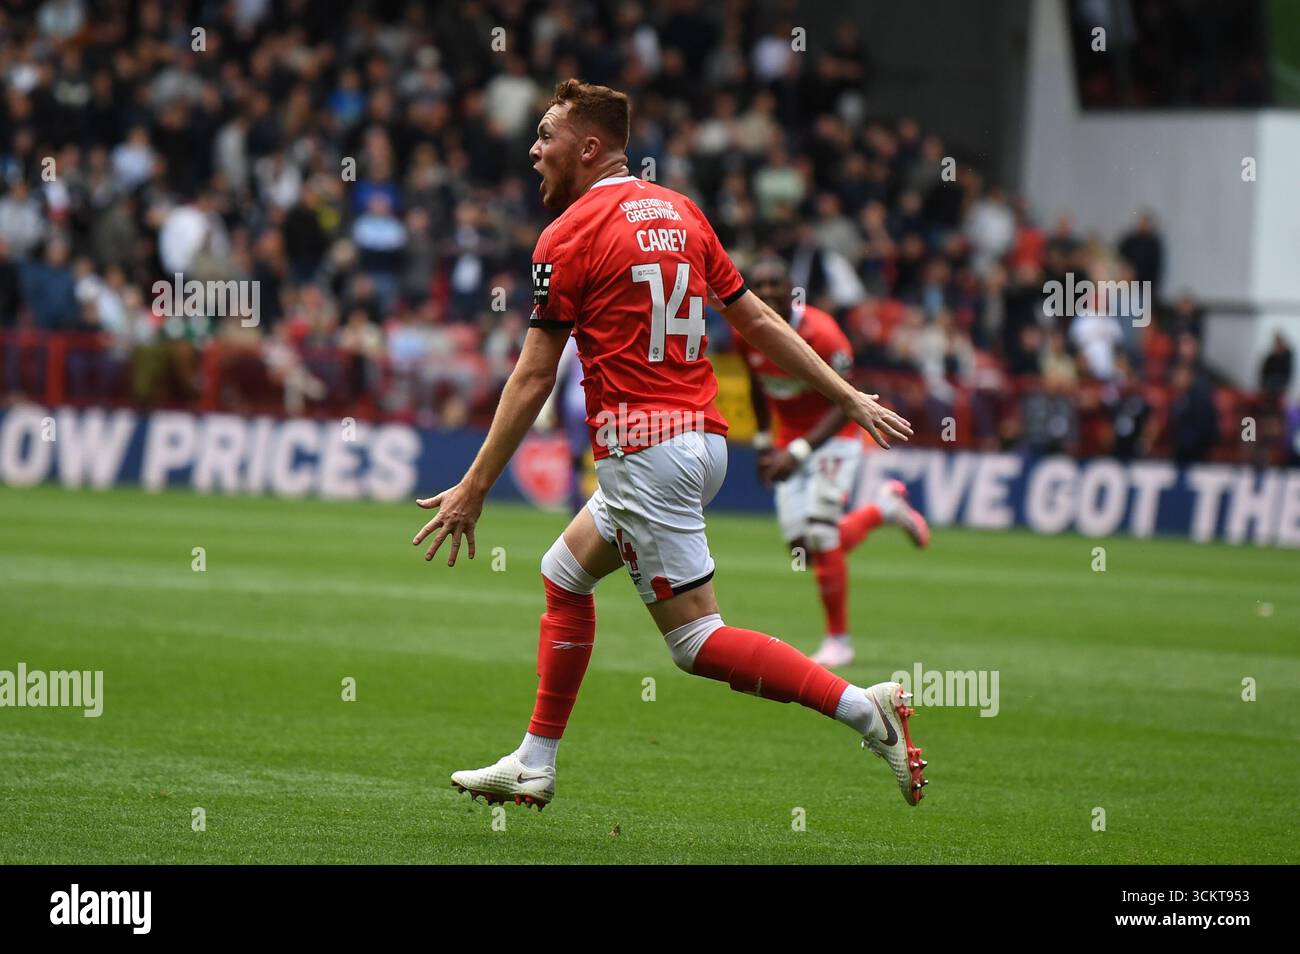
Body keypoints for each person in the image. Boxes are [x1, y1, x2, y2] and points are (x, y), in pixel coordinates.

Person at [412, 80, 926, 810]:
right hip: (698, 441)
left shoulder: (569, 234)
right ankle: (534, 759)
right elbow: (756, 322)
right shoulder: (681, 209)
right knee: (564, 574)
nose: (534, 149)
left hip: (644, 452)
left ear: (588, 147)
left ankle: (863, 710)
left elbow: (531, 378)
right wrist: (844, 394)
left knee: (695, 644)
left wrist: (474, 487)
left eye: (546, 135)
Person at [738, 255, 928, 669]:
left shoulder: (824, 335)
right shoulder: (746, 328)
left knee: (822, 537)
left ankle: (839, 641)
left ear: (794, 289)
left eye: (776, 283)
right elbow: (757, 385)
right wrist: (763, 443)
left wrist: (800, 452)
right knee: (801, 546)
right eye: (760, 285)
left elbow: (847, 403)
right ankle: (883, 510)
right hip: (788, 441)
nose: (767, 292)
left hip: (834, 439)